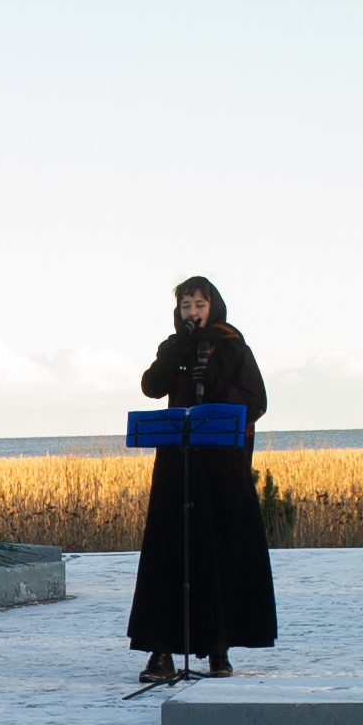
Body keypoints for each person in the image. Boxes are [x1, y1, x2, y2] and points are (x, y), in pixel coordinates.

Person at [128, 273, 275, 683]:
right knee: (169, 554)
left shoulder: (231, 344)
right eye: (185, 306)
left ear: (214, 307)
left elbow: (255, 400)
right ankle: (161, 650)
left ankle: (217, 647)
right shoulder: (173, 347)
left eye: (199, 305)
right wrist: (176, 351)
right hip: (179, 466)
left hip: (220, 469)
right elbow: (151, 388)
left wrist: (213, 397)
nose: (192, 312)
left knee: (216, 552)